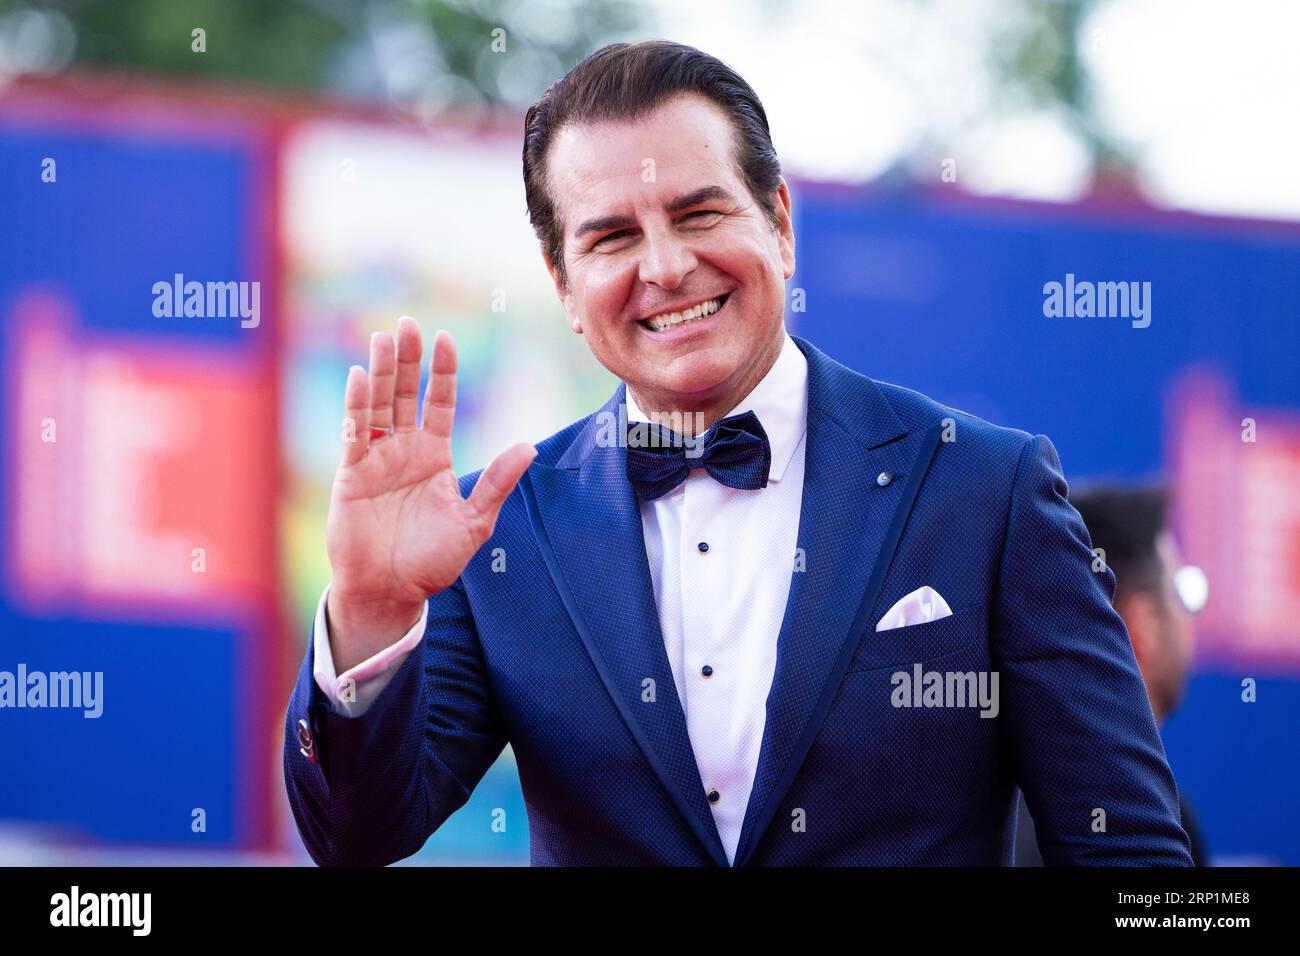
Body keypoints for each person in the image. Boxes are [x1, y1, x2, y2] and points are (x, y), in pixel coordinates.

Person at [283, 39, 1193, 866]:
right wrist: (369, 607)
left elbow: (1132, 858)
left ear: (781, 224)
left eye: (699, 212)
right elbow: (359, 836)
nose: (667, 266)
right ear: (564, 285)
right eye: (611, 236)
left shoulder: (982, 490)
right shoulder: (497, 532)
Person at [1016, 484, 1209, 866]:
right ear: (1142, 626)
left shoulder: (985, 808)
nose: (1192, 620)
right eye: (1184, 594)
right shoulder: (1153, 828)